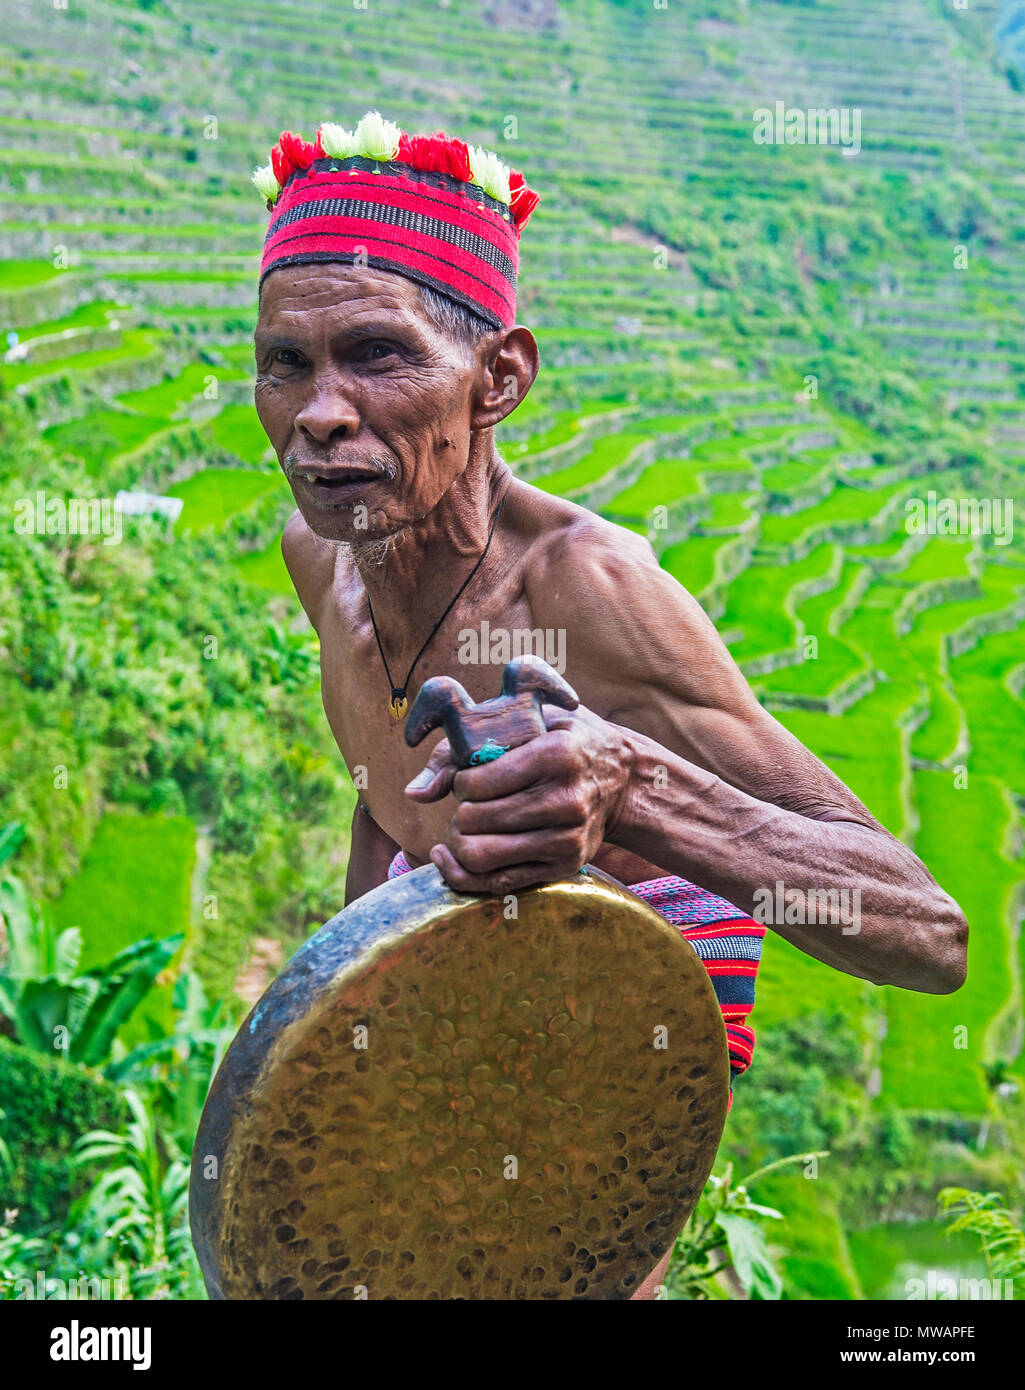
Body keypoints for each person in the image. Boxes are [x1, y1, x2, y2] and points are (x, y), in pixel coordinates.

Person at [251, 111, 968, 1300]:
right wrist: (358, 1025)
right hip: (465, 983)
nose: (320, 411)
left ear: (498, 381)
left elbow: (924, 933)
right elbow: (384, 781)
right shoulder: (319, 553)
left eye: (377, 355)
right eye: (286, 362)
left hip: (613, 1028)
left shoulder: (594, 593)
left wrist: (636, 784)